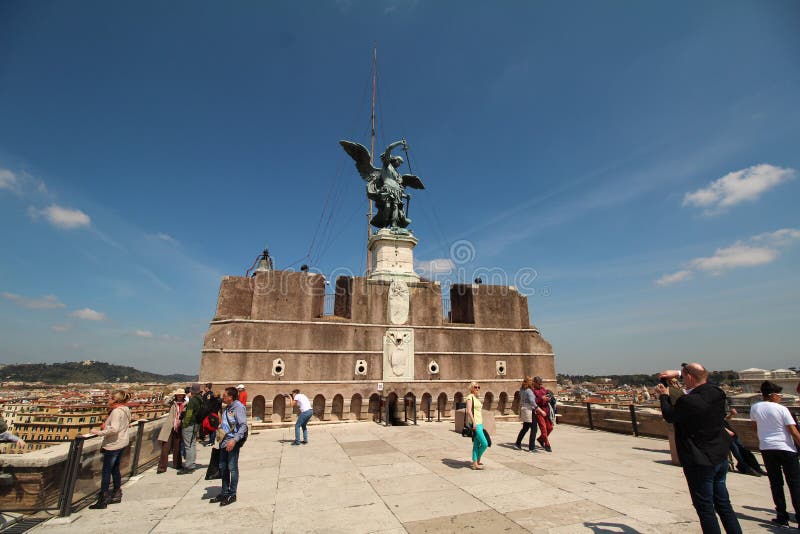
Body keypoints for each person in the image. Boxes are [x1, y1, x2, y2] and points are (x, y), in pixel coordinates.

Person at [655, 363, 742, 534]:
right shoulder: (717, 392)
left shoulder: (689, 401)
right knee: (724, 505)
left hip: (699, 460)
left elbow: (670, 416)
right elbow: (700, 376)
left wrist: (664, 396)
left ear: (689, 377)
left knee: (706, 509)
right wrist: (680, 372)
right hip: (720, 456)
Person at [750, 381, 800, 527]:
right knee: (794, 484)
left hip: (767, 448)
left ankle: (781, 515)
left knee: (776, 483)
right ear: (772, 395)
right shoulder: (782, 409)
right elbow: (793, 431)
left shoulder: (755, 408)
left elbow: (755, 427)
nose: (780, 397)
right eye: (779, 395)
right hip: (785, 448)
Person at [88, 390, 132, 509]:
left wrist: (99, 432)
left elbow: (114, 429)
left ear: (115, 399)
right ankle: (117, 492)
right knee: (115, 469)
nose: (108, 400)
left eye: (110, 398)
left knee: (106, 471)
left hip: (114, 444)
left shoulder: (117, 412)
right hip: (122, 442)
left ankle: (103, 498)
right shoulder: (125, 409)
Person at [210, 386, 247, 506]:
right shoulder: (227, 407)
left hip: (232, 442)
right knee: (223, 467)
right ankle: (224, 492)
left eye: (225, 395)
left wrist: (234, 440)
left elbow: (243, 426)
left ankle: (232, 493)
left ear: (231, 397)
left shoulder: (238, 407)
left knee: (232, 468)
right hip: (223, 442)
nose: (223, 397)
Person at [156, 389, 185, 473]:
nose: (180, 396)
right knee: (165, 447)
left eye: (181, 394)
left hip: (179, 427)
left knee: (177, 447)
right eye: (178, 394)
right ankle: (161, 467)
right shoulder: (172, 403)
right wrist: (172, 396)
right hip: (169, 426)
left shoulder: (186, 404)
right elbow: (165, 402)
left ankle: (177, 464)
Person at [178, 383, 202, 474]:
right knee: (192, 444)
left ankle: (189, 466)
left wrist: (185, 424)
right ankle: (192, 463)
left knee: (188, 445)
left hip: (190, 424)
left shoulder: (193, 401)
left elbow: (188, 414)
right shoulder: (201, 399)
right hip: (196, 424)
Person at [465, 382, 488, 470]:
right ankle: (476, 460)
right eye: (475, 387)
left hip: (480, 423)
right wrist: (474, 422)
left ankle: (475, 463)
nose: (477, 388)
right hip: (475, 423)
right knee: (485, 443)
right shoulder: (470, 397)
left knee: (476, 444)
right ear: (472, 388)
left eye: (478, 387)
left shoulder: (476, 398)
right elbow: (469, 411)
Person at [515, 376, 537, 452]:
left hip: (524, 409)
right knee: (534, 429)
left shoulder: (522, 390)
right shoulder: (529, 391)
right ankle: (532, 447)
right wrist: (537, 408)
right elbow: (532, 401)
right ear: (530, 382)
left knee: (525, 428)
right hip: (530, 410)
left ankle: (518, 443)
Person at [532, 376, 553, 452]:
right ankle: (547, 444)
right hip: (539, 412)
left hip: (546, 411)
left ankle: (541, 439)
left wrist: (548, 399)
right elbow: (533, 402)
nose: (540, 385)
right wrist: (541, 398)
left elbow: (546, 400)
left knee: (550, 428)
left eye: (541, 384)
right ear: (535, 383)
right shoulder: (533, 391)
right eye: (539, 384)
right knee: (543, 429)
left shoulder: (543, 389)